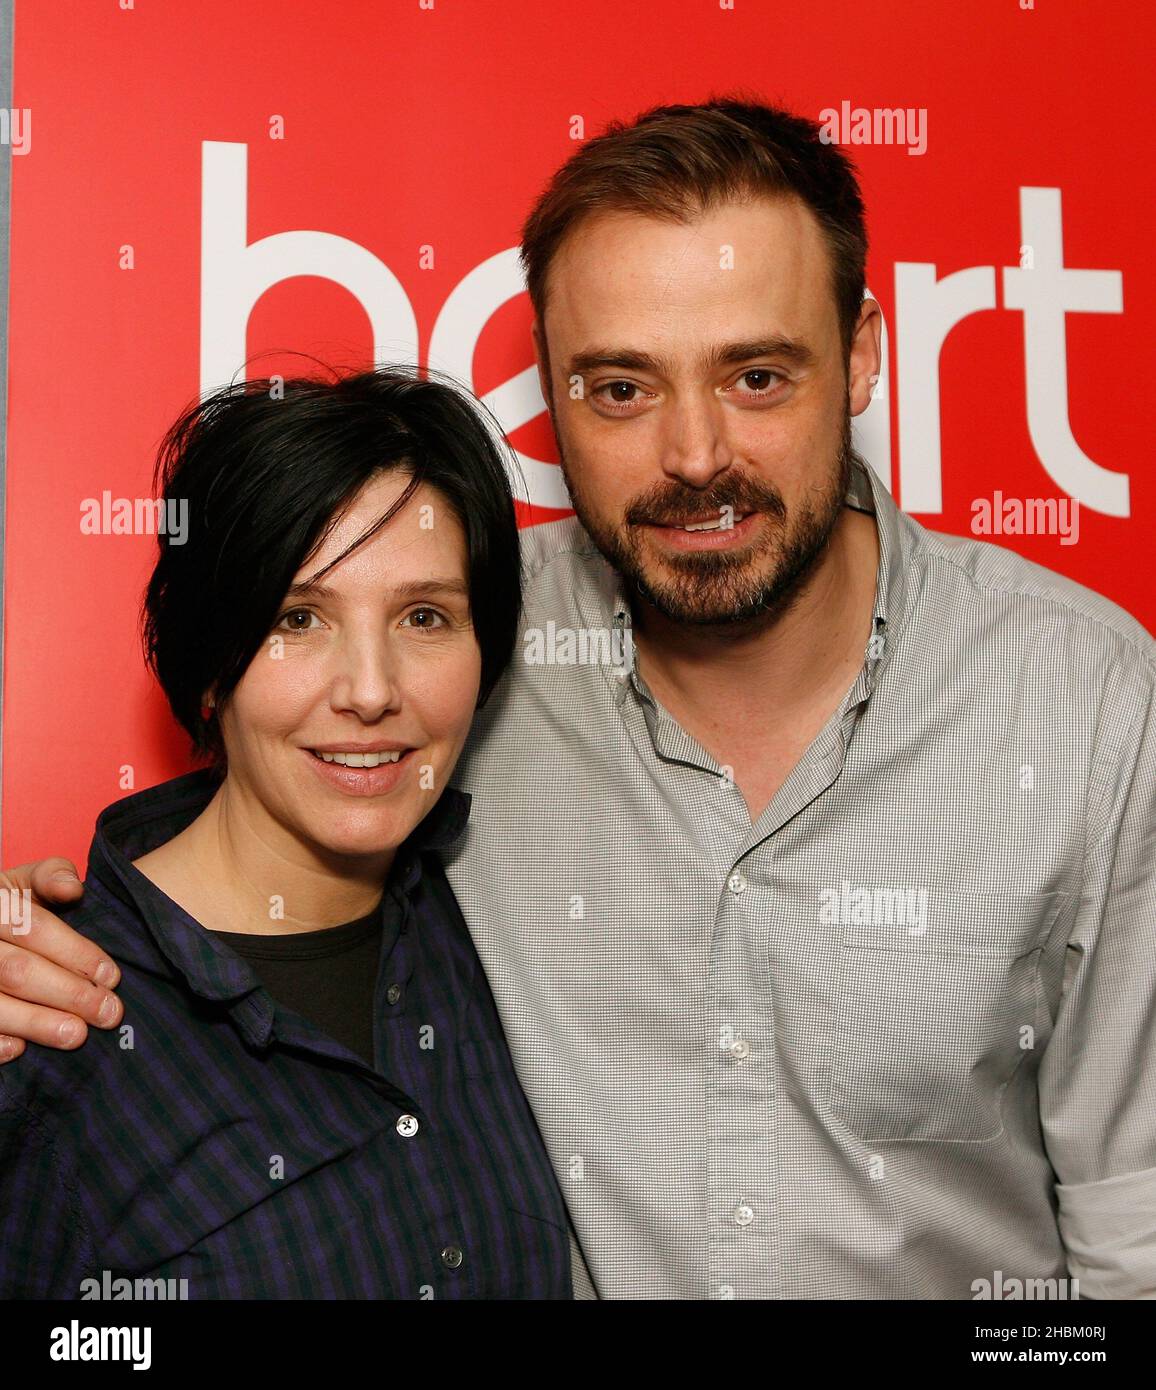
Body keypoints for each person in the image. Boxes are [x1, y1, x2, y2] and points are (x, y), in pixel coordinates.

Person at [3, 99, 1154, 1300]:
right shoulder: (466, 642)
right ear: (548, 391)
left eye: (757, 375)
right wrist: (45, 932)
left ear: (864, 351)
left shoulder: (1082, 704)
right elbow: (255, 815)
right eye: (620, 390)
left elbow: (1135, 1233)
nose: (696, 452)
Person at [0, 367, 573, 1299]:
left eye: (425, 617)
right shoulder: (49, 1019)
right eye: (298, 619)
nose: (370, 688)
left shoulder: (501, 936)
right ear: (210, 667)